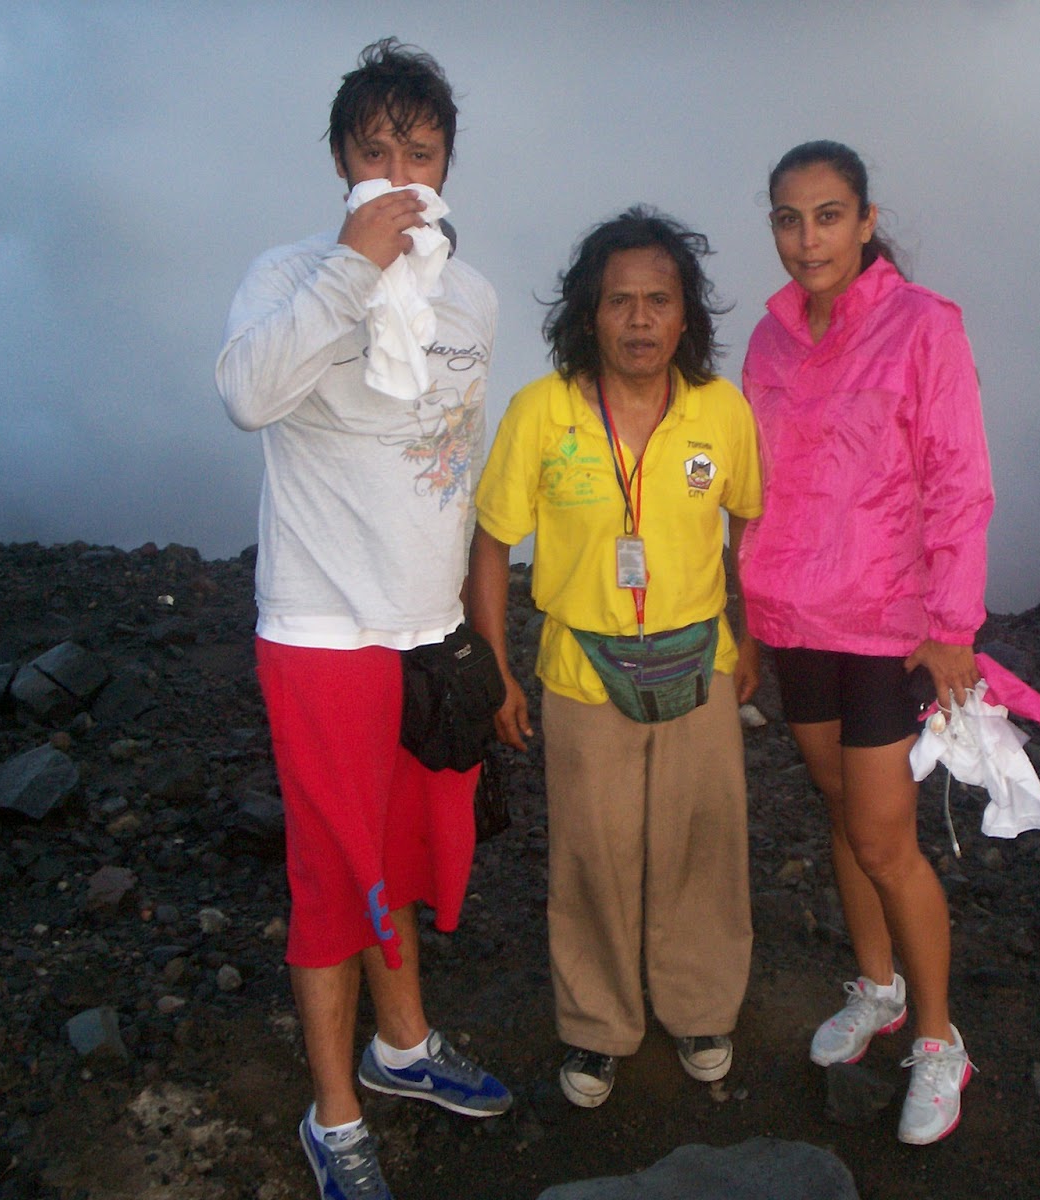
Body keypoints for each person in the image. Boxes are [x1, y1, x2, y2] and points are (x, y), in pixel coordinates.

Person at [215, 38, 510, 1200]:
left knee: (402, 857)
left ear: (448, 164)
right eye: (376, 149)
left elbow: (457, 460)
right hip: (322, 632)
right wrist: (351, 266)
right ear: (343, 158)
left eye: (421, 151)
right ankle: (333, 1115)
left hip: (426, 633)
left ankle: (402, 1051)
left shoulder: (471, 297)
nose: (398, 171)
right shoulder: (290, 274)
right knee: (333, 876)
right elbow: (245, 396)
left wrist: (477, 632)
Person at [468, 206, 762, 1110]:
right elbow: (490, 544)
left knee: (702, 846)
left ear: (686, 316)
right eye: (619, 301)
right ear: (588, 314)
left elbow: (748, 519)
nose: (639, 320)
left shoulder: (721, 412)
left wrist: (745, 633)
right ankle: (598, 1028)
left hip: (698, 666)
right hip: (580, 671)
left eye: (659, 301)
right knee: (591, 855)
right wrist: (497, 669)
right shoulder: (541, 411)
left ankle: (701, 1008)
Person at [738, 140, 995, 1145]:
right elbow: (748, 490)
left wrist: (953, 627)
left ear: (867, 219)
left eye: (828, 215)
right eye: (789, 219)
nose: (808, 239)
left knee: (886, 836)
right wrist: (742, 618)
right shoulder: (766, 342)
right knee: (845, 811)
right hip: (794, 617)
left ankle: (939, 1039)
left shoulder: (923, 327)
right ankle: (878, 987)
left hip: (889, 625)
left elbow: (958, 477)